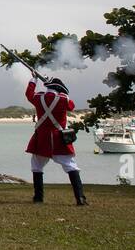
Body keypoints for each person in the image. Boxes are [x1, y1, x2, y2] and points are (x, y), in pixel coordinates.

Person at [25, 77, 88, 206]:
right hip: (59, 139)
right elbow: (71, 106)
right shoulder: (63, 98)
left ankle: (38, 198)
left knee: (37, 167)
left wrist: (34, 79)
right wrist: (64, 92)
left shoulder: (38, 97)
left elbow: (29, 94)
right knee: (71, 166)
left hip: (42, 139)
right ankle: (80, 198)